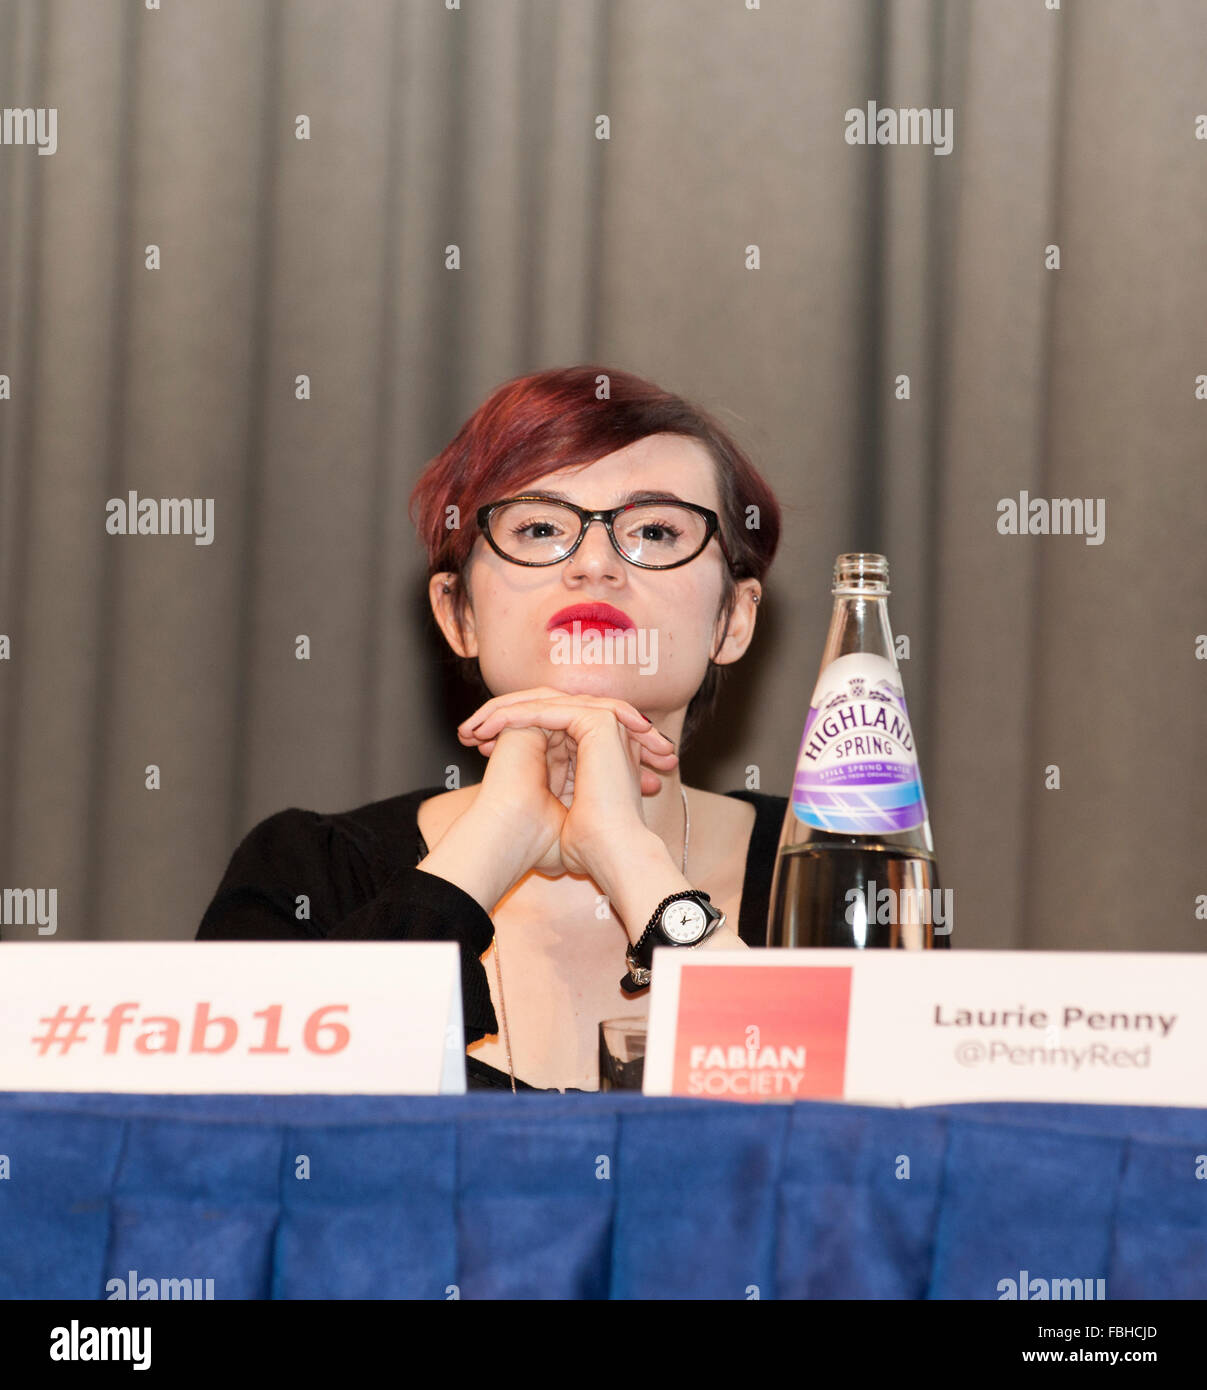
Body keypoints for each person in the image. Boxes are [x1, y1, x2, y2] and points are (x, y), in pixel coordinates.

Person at [197, 365, 785, 1093]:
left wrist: (636, 865)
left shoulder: (839, 869)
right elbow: (235, 1144)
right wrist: (483, 850)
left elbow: (853, 1159)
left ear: (734, 619)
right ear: (457, 615)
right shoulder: (308, 867)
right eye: (539, 528)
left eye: (656, 531)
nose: (594, 564)